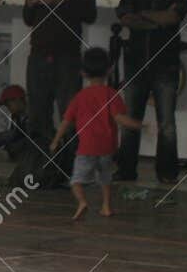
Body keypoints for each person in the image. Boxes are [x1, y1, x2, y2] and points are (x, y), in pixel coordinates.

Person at [114, 0, 187, 185]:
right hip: (135, 63)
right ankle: (126, 170)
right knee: (130, 121)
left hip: (165, 65)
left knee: (166, 123)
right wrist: (156, 19)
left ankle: (167, 173)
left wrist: (143, 14)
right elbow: (125, 17)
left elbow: (172, 18)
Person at [23, 0, 97, 149]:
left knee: (69, 112)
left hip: (67, 56)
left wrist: (58, 1)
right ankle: (40, 161)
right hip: (39, 55)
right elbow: (27, 18)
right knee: (37, 112)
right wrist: (30, 4)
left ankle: (69, 161)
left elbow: (90, 15)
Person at [51, 46, 142, 220]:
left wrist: (56, 140)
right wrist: (139, 125)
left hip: (87, 148)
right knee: (105, 179)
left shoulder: (80, 97)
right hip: (107, 147)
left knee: (76, 181)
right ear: (109, 70)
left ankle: (82, 202)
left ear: (83, 73)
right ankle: (106, 207)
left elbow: (66, 122)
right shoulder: (111, 94)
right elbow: (120, 118)